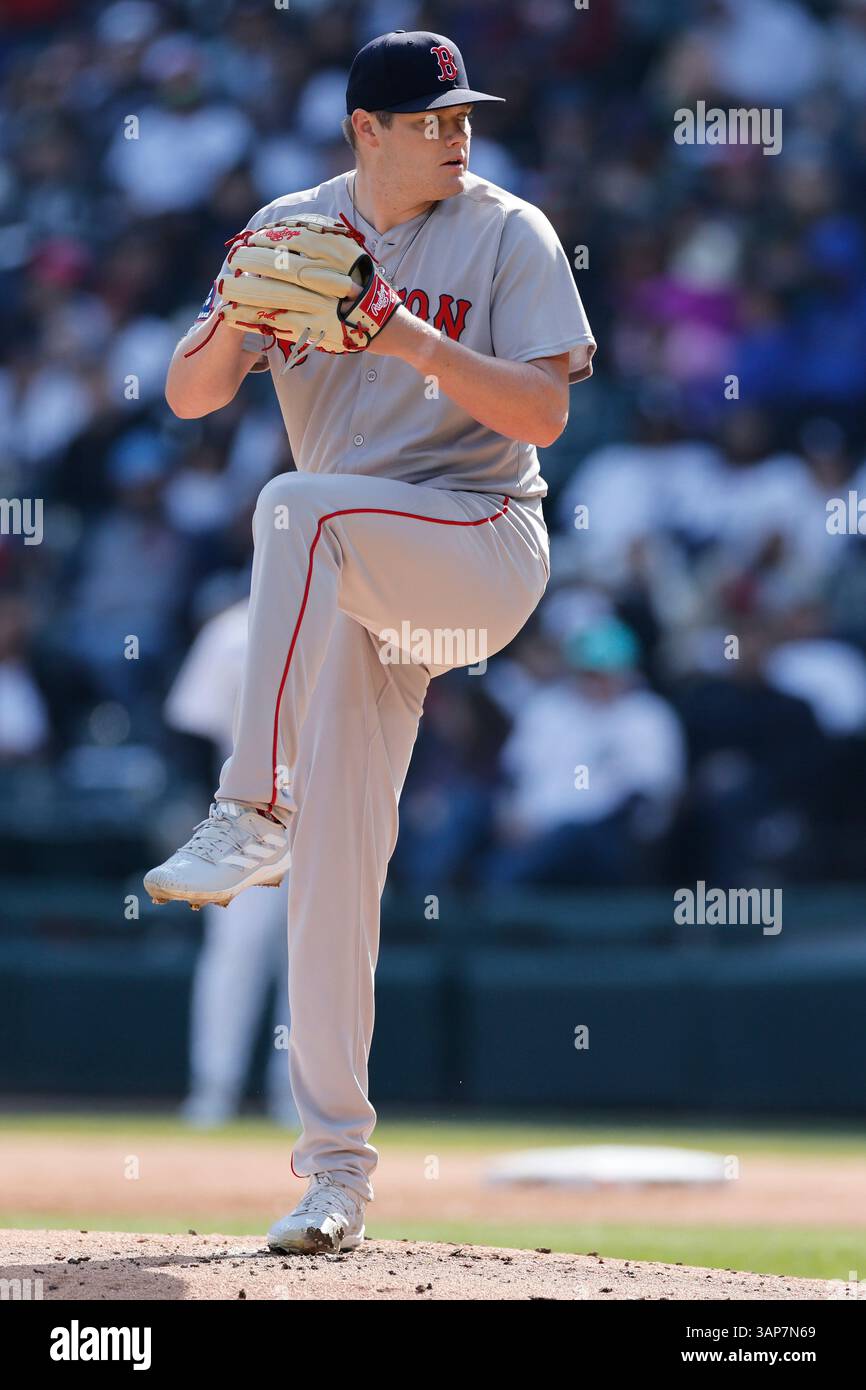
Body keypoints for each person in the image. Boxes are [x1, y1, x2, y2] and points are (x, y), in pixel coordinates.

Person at [144, 29, 596, 1254]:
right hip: (353, 575)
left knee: (293, 502)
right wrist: (229, 316)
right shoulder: (291, 227)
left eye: (464, 114)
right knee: (336, 879)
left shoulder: (508, 230)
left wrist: (401, 335)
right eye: (433, 117)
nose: (459, 132)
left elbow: (545, 410)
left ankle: (250, 803)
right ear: (364, 131)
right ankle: (334, 1176)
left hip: (478, 541)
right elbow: (189, 395)